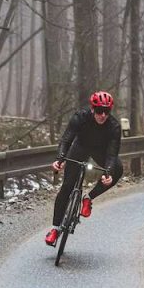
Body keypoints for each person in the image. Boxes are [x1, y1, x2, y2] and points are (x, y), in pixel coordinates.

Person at [45, 91, 123, 246]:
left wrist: (107, 172)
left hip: (101, 151)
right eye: (99, 111)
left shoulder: (114, 126)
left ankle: (88, 198)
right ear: (92, 109)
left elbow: (112, 154)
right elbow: (66, 140)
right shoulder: (80, 117)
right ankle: (55, 229)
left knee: (117, 170)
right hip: (80, 147)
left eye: (106, 111)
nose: (102, 115)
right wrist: (60, 159)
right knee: (67, 187)